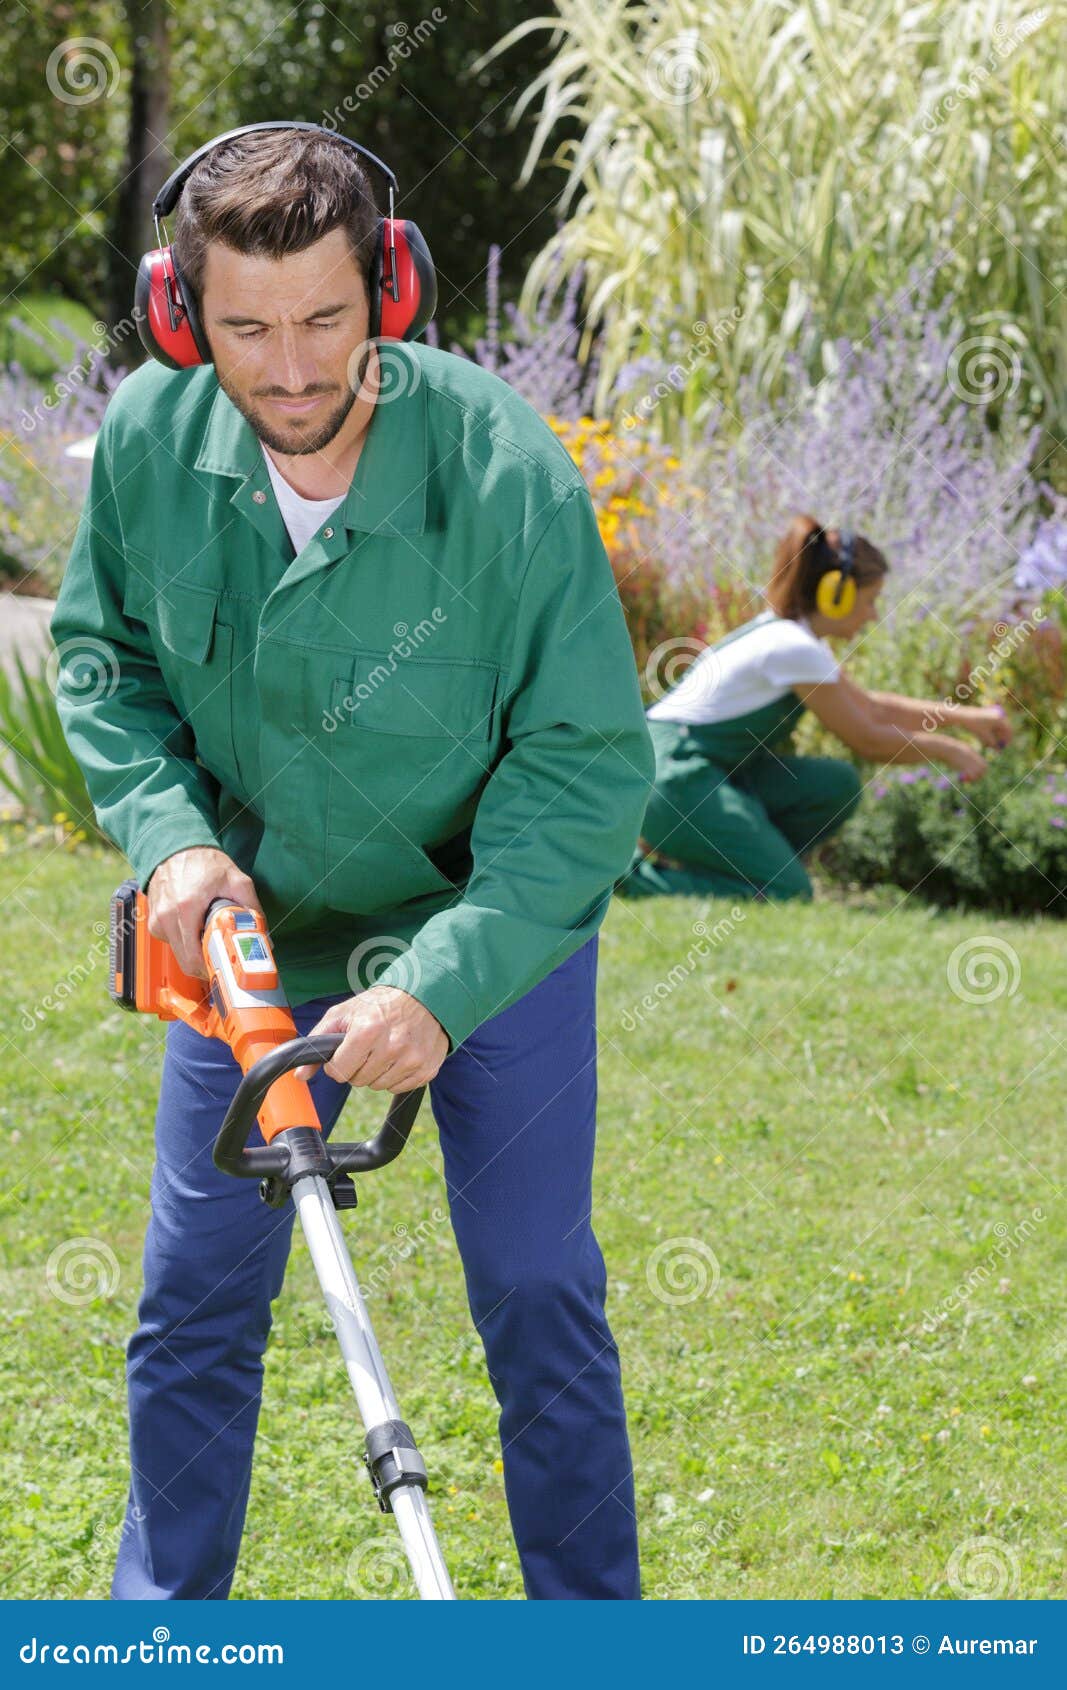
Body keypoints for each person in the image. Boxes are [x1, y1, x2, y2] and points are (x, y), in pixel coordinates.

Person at [49, 122, 655, 1600]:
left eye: (324, 318)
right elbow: (100, 659)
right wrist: (175, 843)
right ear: (183, 312)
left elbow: (581, 765)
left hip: (488, 934)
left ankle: (587, 1636)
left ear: (388, 287)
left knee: (532, 1286)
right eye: (245, 327)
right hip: (260, 946)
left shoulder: (501, 470)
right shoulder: (149, 441)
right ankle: (158, 1631)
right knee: (192, 1304)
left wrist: (438, 988)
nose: (293, 366)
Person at [615, 513, 1012, 902]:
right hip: (672, 777)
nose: (873, 615)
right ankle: (630, 878)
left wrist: (966, 719)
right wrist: (947, 749)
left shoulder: (795, 640)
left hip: (695, 773)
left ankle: (744, 865)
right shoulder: (793, 647)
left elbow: (871, 708)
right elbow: (868, 739)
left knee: (834, 784)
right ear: (835, 594)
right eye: (870, 600)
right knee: (786, 891)